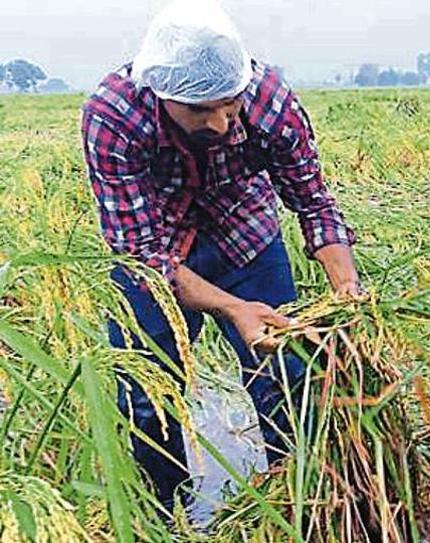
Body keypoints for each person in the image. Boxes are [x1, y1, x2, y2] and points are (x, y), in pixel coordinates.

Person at [80, 0, 359, 512]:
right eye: (199, 110)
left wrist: (348, 295)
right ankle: (169, 511)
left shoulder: (270, 100)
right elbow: (144, 257)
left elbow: (313, 203)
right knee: (147, 398)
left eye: (228, 104)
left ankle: (298, 500)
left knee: (285, 379)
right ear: (160, 96)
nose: (220, 122)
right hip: (156, 251)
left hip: (247, 242)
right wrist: (232, 308)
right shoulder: (114, 115)